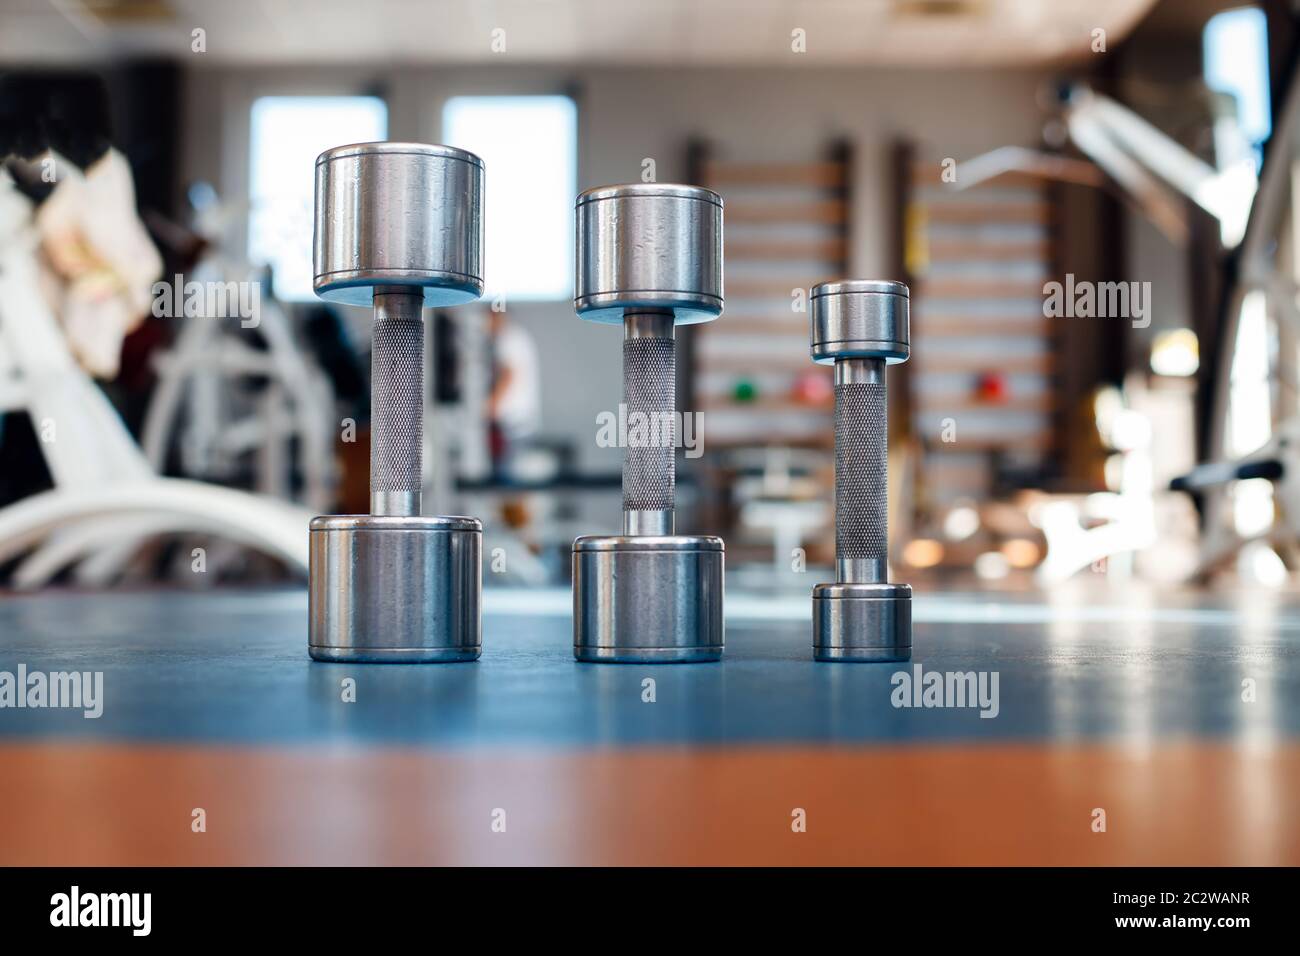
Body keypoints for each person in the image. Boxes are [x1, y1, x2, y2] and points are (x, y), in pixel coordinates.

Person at [486, 308, 540, 478]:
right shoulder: (519, 337)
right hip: (522, 425)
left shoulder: (508, 338)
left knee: (507, 482)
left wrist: (489, 407)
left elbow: (509, 374)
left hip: (514, 426)